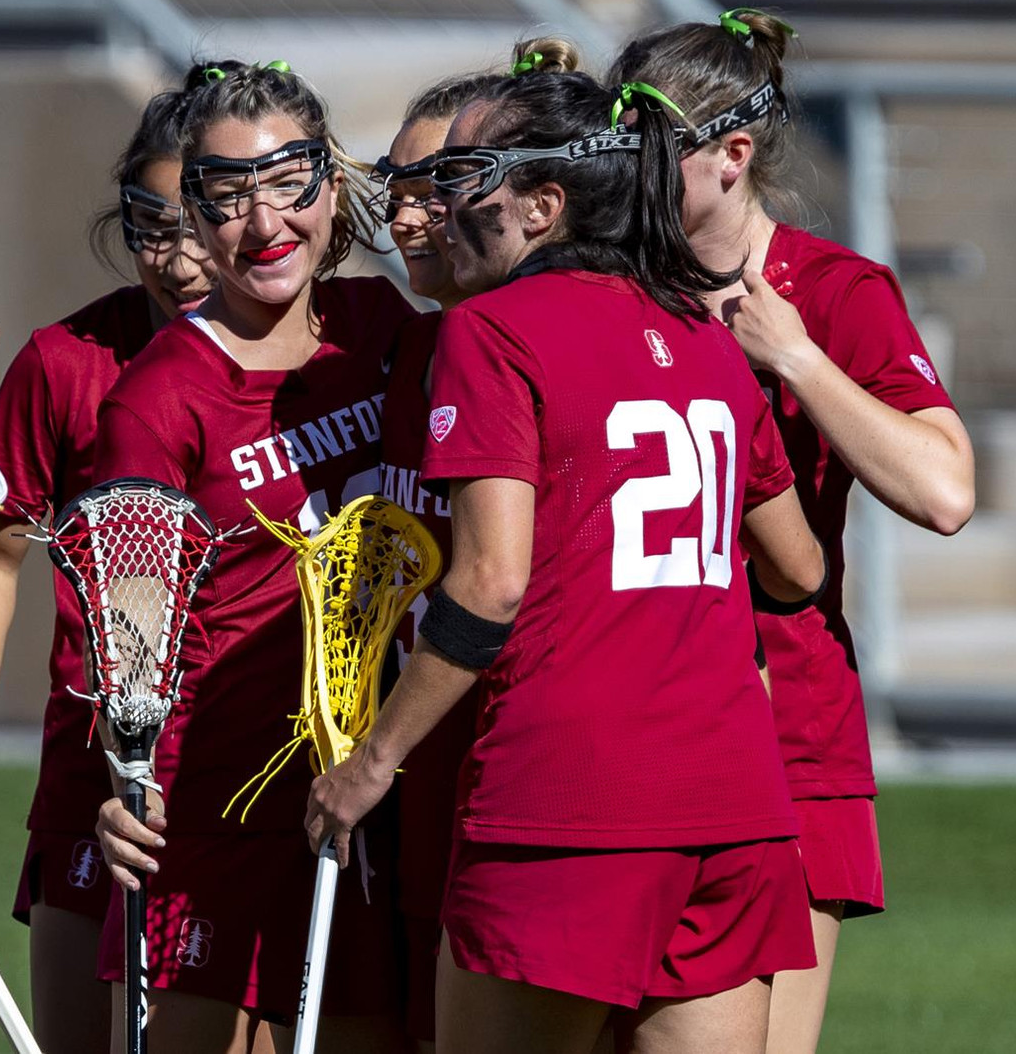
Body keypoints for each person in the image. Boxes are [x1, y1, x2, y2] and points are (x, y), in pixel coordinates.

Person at [304, 68, 829, 1053]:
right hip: (733, 806)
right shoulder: (705, 335)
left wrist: (370, 764)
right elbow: (797, 569)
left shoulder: (490, 331)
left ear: (544, 207)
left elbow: (489, 583)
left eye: (464, 176)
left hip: (568, 804)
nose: (438, 205)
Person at [605, 9, 975, 1054]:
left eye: (650, 148)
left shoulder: (835, 292)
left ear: (733, 156)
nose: (625, 173)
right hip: (632, 721)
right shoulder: (610, 291)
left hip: (786, 729)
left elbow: (945, 490)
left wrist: (798, 358)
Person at [89, 59, 410, 1053]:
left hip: (379, 787)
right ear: (193, 214)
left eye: (287, 182)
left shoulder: (384, 329)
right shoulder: (157, 396)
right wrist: (126, 774)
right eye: (226, 196)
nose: (263, 223)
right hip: (223, 803)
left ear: (331, 185)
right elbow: (133, 635)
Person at [0, 76, 215, 1053]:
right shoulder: (69, 360)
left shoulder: (314, 361)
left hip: (247, 784)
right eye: (152, 226)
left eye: (203, 224)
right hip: (92, 783)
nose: (180, 260)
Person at [370, 40, 571, 1053]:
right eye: (397, 190)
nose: (412, 216)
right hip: (414, 789)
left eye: (437, 187)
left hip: (516, 779)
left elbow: (495, 580)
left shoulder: (522, 344)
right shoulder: (395, 343)